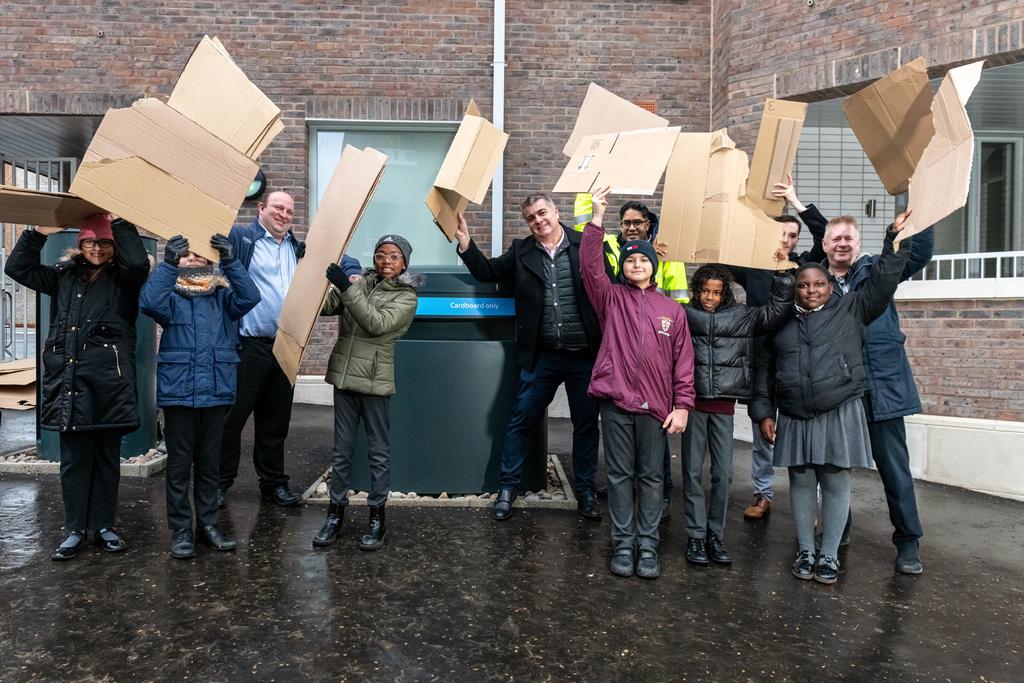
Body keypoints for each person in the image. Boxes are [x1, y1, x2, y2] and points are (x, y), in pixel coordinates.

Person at [753, 212, 915, 584]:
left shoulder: (853, 307)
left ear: (831, 286)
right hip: (794, 413)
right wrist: (764, 412)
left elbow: (886, 278)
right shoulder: (781, 320)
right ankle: (806, 550)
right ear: (795, 288)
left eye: (819, 284)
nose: (811, 290)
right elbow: (764, 367)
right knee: (802, 483)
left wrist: (896, 237)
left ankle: (828, 556)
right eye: (804, 285)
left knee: (837, 482)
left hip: (839, 409)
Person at [4, 214, 150, 560]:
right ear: (80, 245)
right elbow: (17, 269)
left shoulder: (124, 280)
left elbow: (138, 262)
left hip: (109, 385)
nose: (96, 249)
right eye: (90, 242)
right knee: (74, 461)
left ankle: (104, 526)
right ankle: (75, 529)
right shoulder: (62, 277)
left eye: (103, 243)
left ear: (113, 247)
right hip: (70, 382)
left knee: (105, 461)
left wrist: (121, 222)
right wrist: (37, 233)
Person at [455, 194, 602, 521]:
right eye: (531, 218)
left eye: (542, 213)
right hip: (543, 356)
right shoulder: (521, 251)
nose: (538, 221)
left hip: (585, 356)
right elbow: (488, 272)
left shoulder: (584, 245)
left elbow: (610, 285)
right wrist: (466, 242)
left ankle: (587, 492)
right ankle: (508, 488)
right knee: (522, 420)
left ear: (555, 211)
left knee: (587, 425)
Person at [219, 191, 362, 507]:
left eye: (289, 211)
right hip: (248, 345)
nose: (284, 214)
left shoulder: (298, 247)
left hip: (286, 344)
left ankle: (273, 485)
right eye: (277, 208)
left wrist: (353, 270)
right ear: (261, 208)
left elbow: (339, 255)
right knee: (232, 419)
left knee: (276, 420)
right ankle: (218, 484)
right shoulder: (242, 238)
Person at [579, 187, 694, 579]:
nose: (638, 264)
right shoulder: (610, 299)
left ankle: (648, 546)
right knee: (618, 475)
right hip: (615, 402)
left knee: (651, 476)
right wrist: (596, 218)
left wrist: (682, 405)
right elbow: (591, 267)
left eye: (644, 260)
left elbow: (683, 363)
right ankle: (623, 544)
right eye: (631, 261)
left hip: (655, 408)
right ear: (624, 267)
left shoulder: (672, 312)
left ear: (653, 266)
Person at [820, 214, 934, 574]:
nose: (842, 243)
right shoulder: (813, 282)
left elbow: (916, 256)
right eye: (835, 238)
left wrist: (923, 217)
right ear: (824, 245)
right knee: (836, 466)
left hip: (881, 383)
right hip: (838, 388)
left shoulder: (877, 269)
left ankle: (907, 542)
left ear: (857, 242)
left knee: (894, 468)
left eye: (848, 239)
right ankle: (839, 530)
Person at [140, 233, 260, 559]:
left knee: (209, 465)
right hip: (178, 393)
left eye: (201, 256)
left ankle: (208, 525)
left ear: (210, 261)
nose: (193, 260)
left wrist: (231, 261)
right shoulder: (170, 295)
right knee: (179, 466)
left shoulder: (223, 296)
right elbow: (148, 303)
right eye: (187, 255)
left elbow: (251, 297)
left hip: (216, 392)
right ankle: (181, 530)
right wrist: (166, 265)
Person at [312, 235, 420, 551]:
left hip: (374, 381)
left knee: (377, 450)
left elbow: (375, 323)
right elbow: (328, 306)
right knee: (341, 451)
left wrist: (345, 287)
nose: (386, 261)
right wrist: (317, 272)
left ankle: (377, 518)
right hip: (344, 378)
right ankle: (334, 515)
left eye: (394, 256)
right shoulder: (359, 285)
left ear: (404, 263)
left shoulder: (407, 297)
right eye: (380, 255)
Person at [681, 261, 793, 567]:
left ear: (725, 293)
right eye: (705, 291)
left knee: (723, 474)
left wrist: (782, 273)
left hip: (724, 409)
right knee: (691, 473)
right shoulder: (685, 315)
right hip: (693, 405)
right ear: (696, 290)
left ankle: (714, 535)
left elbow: (777, 311)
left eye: (717, 292)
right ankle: (694, 535)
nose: (710, 297)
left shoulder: (742, 316)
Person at [729, 177, 827, 521]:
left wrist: (797, 202)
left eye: (792, 236)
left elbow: (824, 235)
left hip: (799, 357)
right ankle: (763, 494)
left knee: (805, 430)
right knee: (763, 428)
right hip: (762, 359)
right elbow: (722, 254)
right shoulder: (754, 267)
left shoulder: (805, 267)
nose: (787, 240)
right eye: (782, 234)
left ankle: (812, 504)